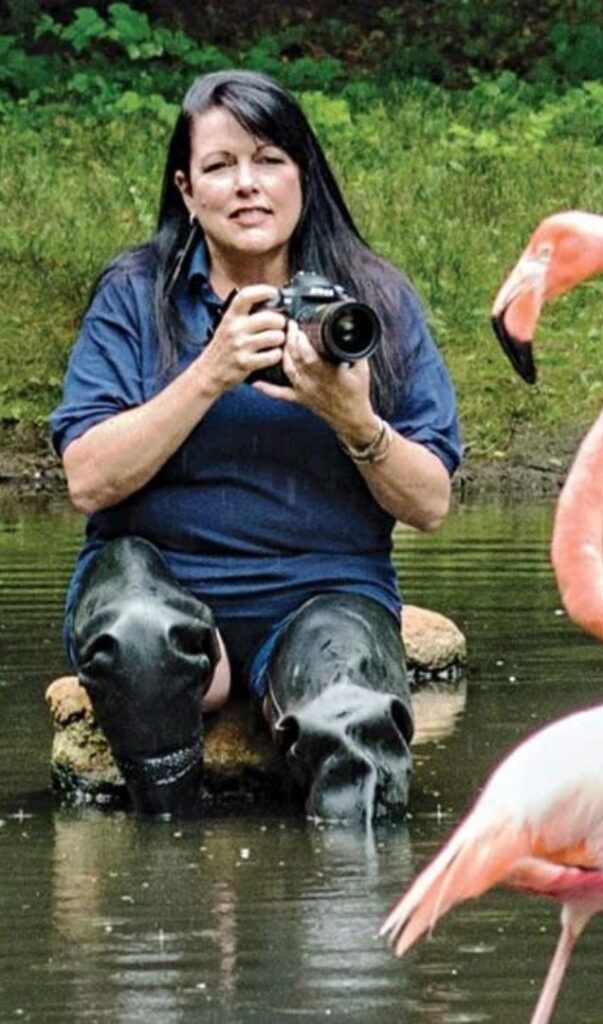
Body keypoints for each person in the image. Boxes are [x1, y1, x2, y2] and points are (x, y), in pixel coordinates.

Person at [50, 69, 462, 820]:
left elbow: (430, 502)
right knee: (138, 634)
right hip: (158, 586)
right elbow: (87, 479)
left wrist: (351, 416)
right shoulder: (137, 295)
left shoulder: (371, 301)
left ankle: (349, 903)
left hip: (324, 591)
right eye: (219, 165)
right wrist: (210, 372)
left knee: (355, 721)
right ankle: (164, 861)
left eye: (270, 159)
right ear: (186, 188)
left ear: (303, 173)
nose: (247, 185)